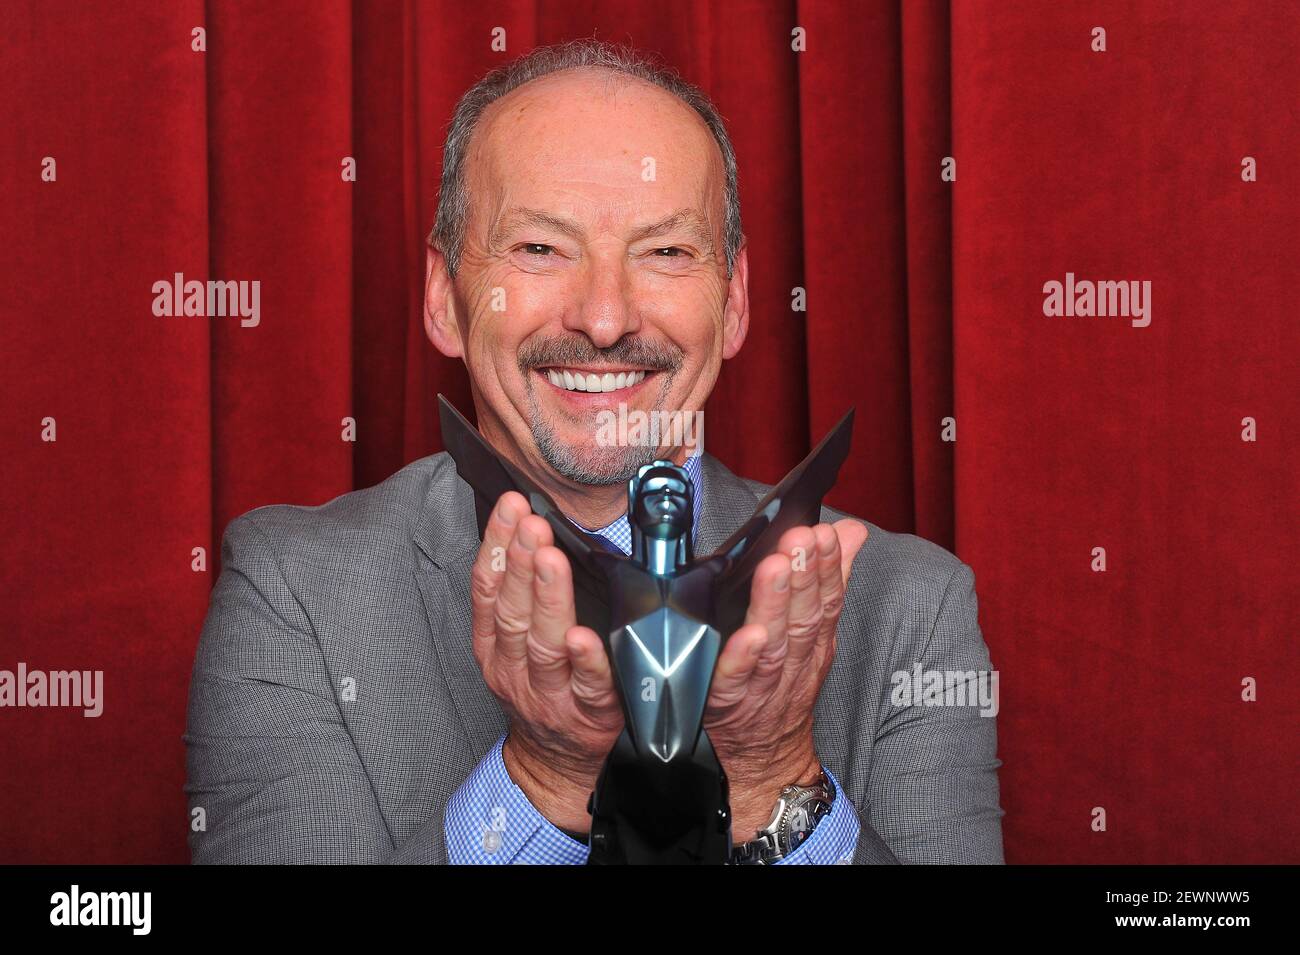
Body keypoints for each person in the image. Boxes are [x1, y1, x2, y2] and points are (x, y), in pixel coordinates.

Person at [184, 38, 1004, 865]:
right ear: (443, 298)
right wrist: (541, 782)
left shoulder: (912, 608)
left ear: (736, 300)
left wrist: (768, 782)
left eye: (666, 252)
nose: (605, 319)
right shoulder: (295, 594)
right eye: (540, 248)